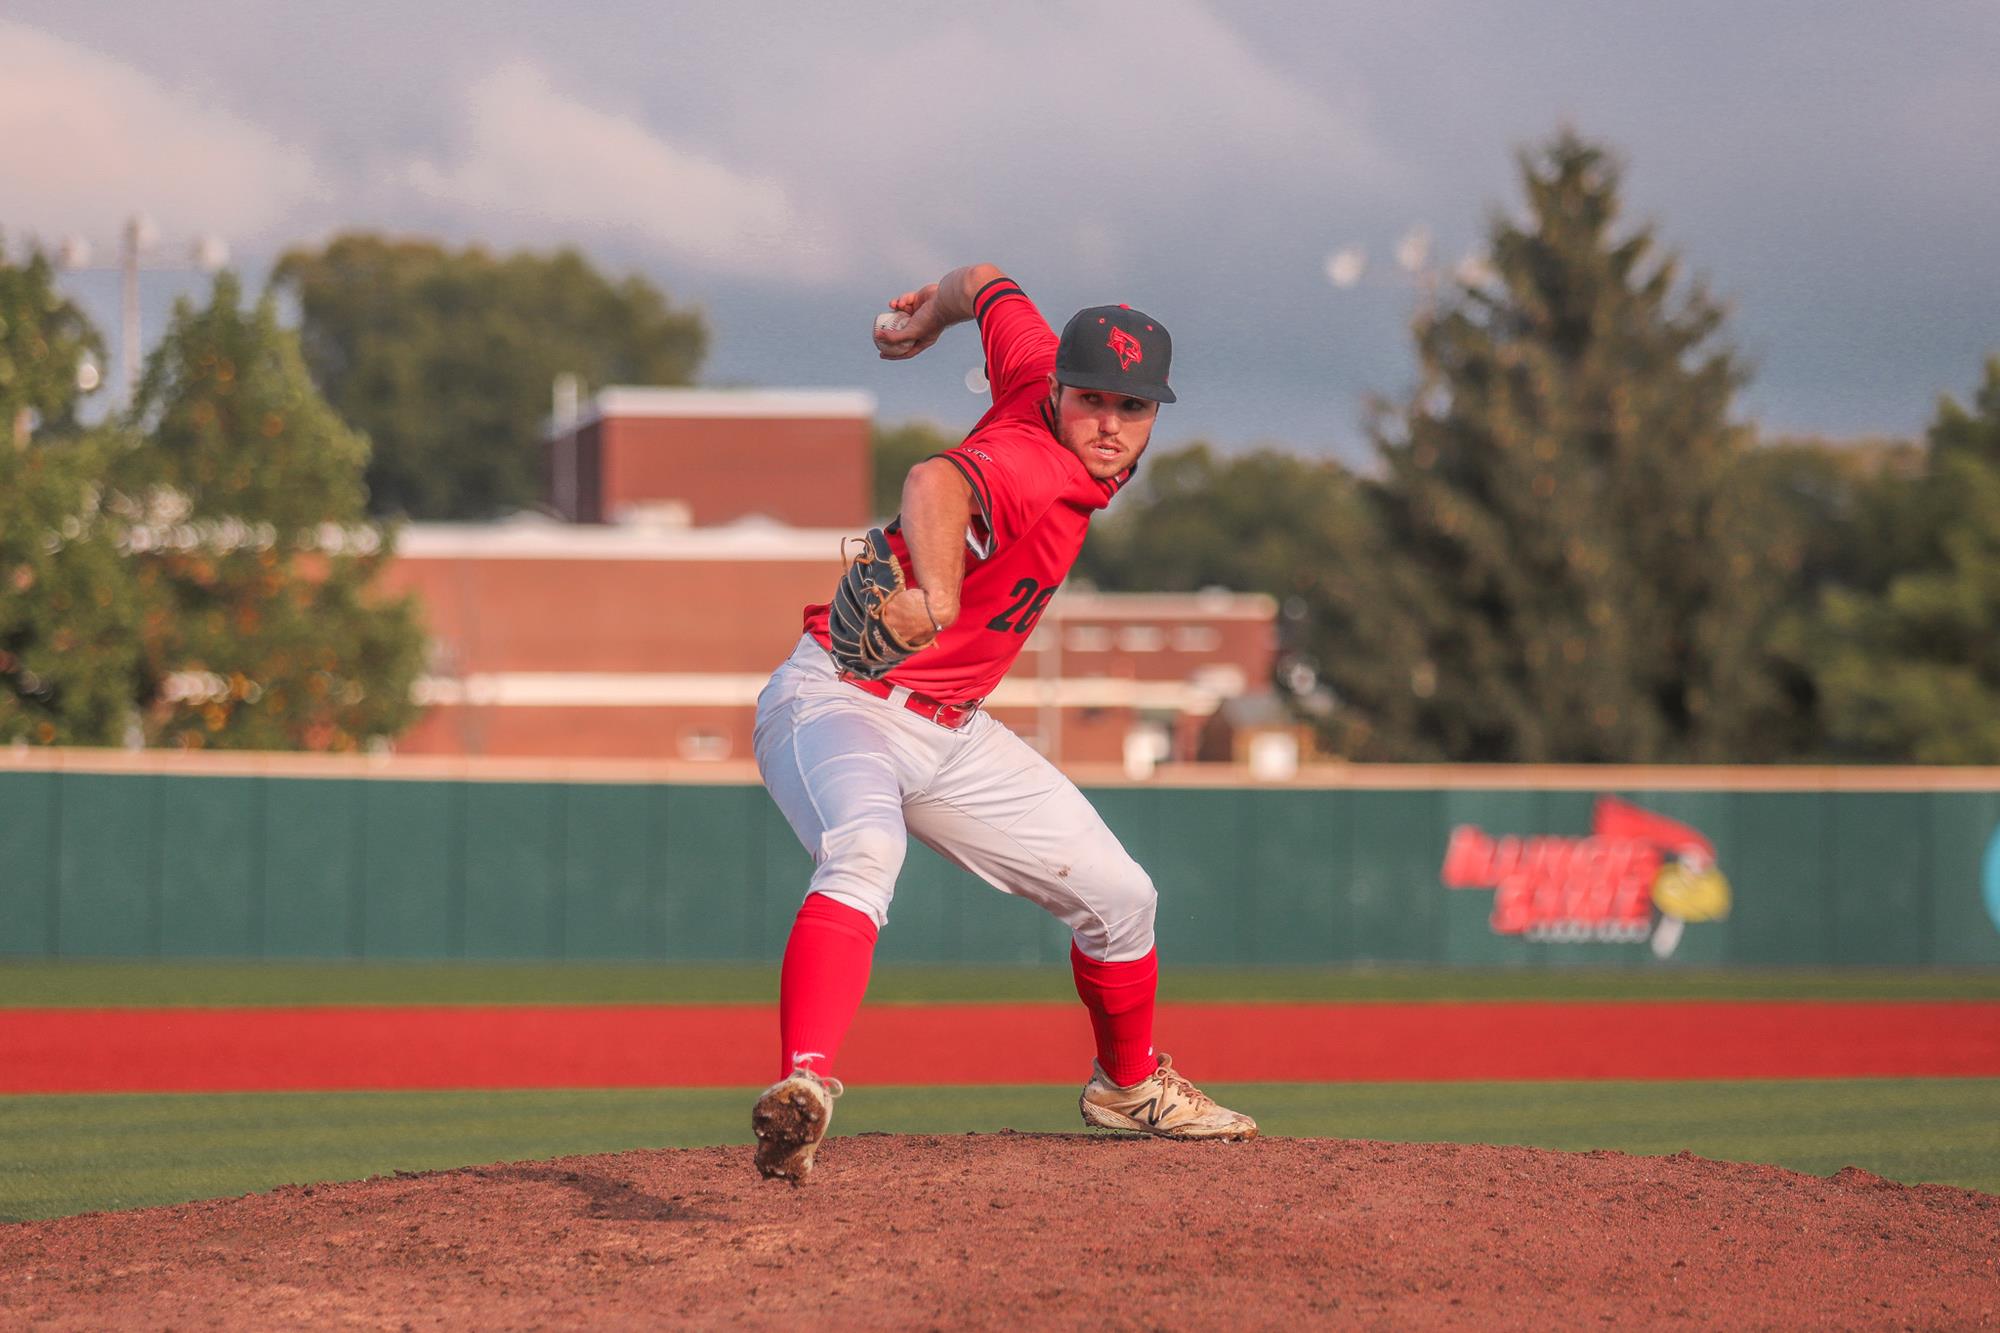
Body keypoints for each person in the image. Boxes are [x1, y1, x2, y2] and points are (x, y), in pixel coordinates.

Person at [749, 264, 1256, 1183]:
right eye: (1092, 399)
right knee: (864, 850)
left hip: (952, 730)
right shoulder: (1035, 462)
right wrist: (939, 597)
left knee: (1123, 897)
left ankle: (1129, 1085)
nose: (1109, 423)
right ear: (1060, 391)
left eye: (1133, 406)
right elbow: (936, 481)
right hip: (837, 698)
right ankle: (804, 1085)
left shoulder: (1034, 363)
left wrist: (927, 316)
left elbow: (986, 284)